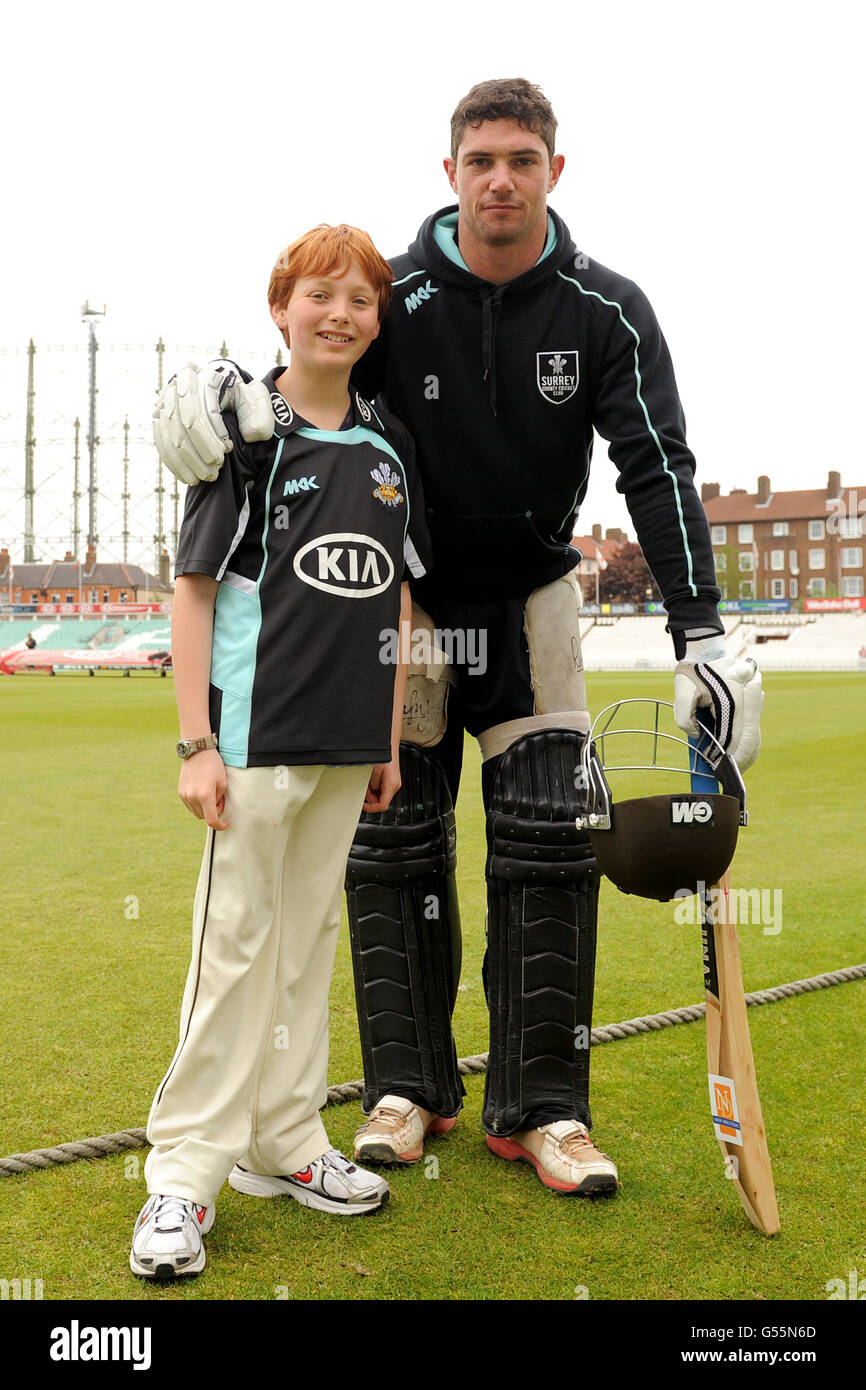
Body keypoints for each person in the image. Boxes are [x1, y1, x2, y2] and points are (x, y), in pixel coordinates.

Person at [153, 79, 763, 1200]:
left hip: (532, 599)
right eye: (479, 158)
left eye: (521, 159)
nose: (499, 178)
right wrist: (216, 385)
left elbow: (654, 465)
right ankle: (403, 1090)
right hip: (409, 610)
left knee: (544, 838)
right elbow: (306, 375)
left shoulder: (604, 308)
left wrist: (703, 631)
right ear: (449, 173)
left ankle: (545, 1110)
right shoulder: (397, 293)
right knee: (392, 844)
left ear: (552, 173)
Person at [131, 224, 432, 1280]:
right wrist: (195, 743)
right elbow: (194, 593)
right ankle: (183, 1177)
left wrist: (385, 735)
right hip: (252, 744)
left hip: (348, 749)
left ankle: (288, 1142)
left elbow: (393, 595)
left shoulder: (389, 453)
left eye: (360, 299)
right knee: (235, 953)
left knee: (307, 949)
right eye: (320, 295)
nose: (340, 314)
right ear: (281, 308)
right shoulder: (244, 439)